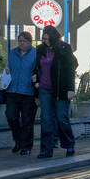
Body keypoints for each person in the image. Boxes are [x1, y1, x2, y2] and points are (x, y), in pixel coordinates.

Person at [33, 24, 77, 158]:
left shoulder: (64, 48)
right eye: (43, 39)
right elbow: (36, 66)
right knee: (46, 119)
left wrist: (70, 89)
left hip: (60, 89)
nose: (45, 41)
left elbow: (70, 69)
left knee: (61, 118)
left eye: (47, 39)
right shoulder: (40, 49)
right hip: (44, 89)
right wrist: (36, 80)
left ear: (53, 37)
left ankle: (69, 144)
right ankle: (46, 149)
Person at [4, 30, 38, 154]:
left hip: (28, 92)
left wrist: (36, 78)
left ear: (30, 42)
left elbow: (40, 70)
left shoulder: (36, 53)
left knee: (27, 120)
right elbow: (8, 66)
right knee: (11, 116)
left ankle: (26, 146)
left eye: (24, 41)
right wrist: (6, 69)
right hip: (12, 90)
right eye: (19, 41)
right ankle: (18, 140)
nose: (21, 44)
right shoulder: (13, 53)